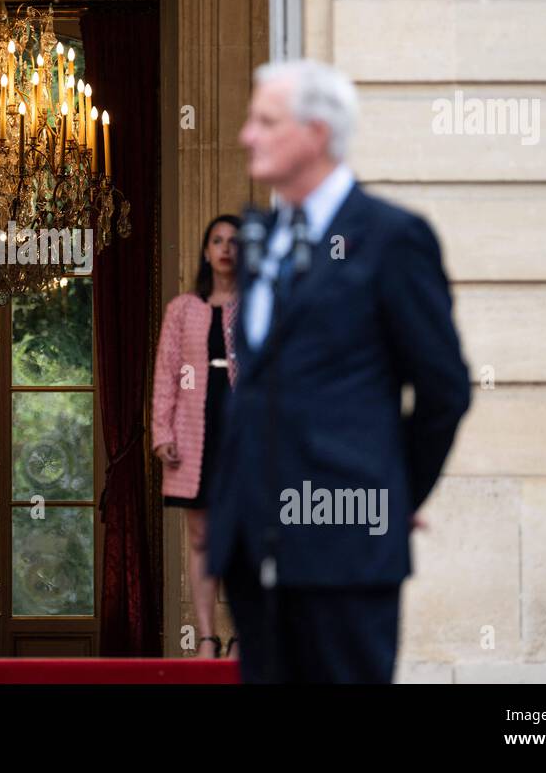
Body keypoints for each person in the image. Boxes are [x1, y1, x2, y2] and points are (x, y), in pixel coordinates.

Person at [208, 60, 471, 683]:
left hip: (346, 546)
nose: (247, 134)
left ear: (316, 133)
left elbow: (444, 390)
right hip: (253, 548)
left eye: (265, 121)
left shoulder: (391, 236)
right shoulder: (260, 239)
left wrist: (392, 492)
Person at [151, 214, 240, 659]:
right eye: (217, 240)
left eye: (235, 242)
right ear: (206, 251)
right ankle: (207, 637)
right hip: (194, 427)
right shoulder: (182, 309)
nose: (226, 248)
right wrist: (161, 431)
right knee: (202, 535)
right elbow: (166, 375)